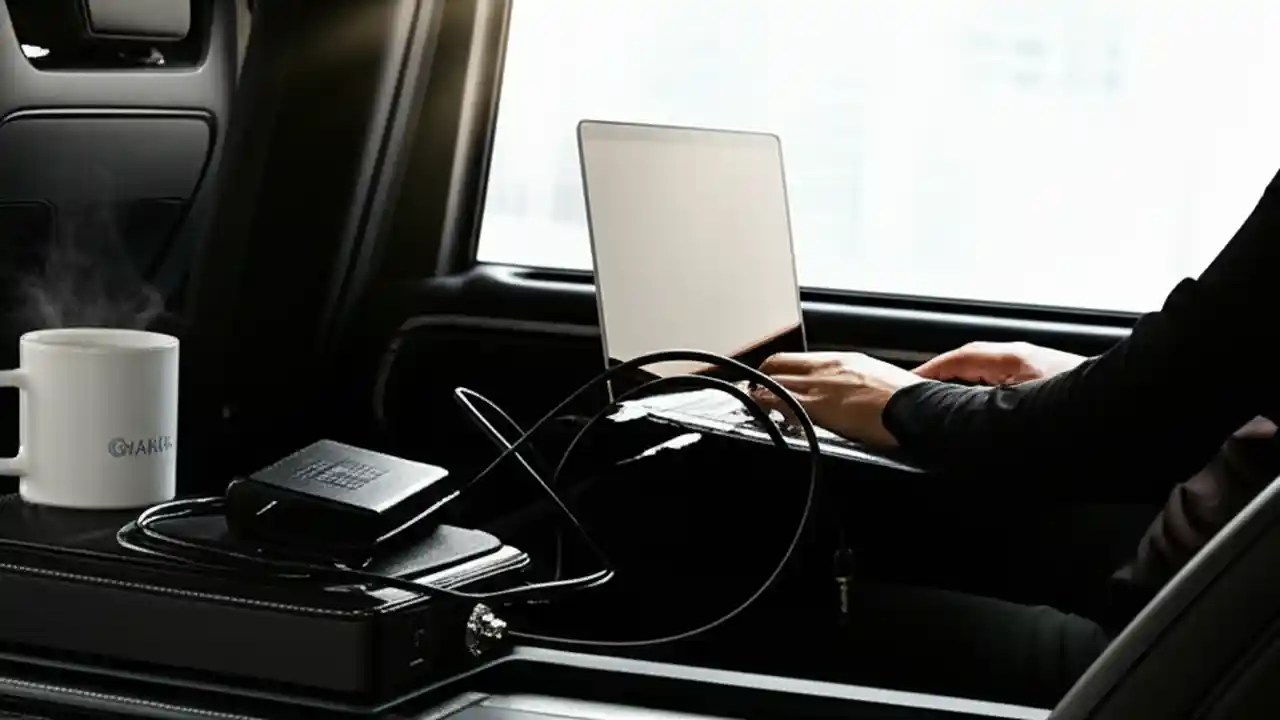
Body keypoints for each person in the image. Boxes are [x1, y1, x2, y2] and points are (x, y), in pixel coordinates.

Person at [749, 169, 1280, 705]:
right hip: (1204, 565)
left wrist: (903, 403)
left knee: (753, 612)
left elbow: (1142, 419)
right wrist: (1091, 380)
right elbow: (1196, 380)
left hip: (1184, 646)